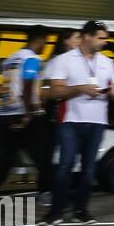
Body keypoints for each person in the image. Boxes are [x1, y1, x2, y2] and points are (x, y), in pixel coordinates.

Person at [41, 20, 114, 226]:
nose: (104, 42)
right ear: (87, 36)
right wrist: (79, 89)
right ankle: (55, 212)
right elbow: (55, 91)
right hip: (71, 120)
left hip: (97, 122)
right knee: (65, 165)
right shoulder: (65, 60)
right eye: (100, 37)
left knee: (89, 169)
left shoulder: (107, 62)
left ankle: (81, 210)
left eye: (105, 38)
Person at [0, 25, 49, 202]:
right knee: (43, 156)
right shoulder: (32, 59)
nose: (45, 45)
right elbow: (26, 86)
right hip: (21, 113)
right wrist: (29, 114)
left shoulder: (10, 59)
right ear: (39, 40)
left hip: (2, 113)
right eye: (45, 42)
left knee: (3, 161)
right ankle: (47, 193)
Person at [35, 28, 79, 207]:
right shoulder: (56, 62)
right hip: (55, 115)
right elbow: (44, 92)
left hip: (71, 115)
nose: (80, 41)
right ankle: (47, 190)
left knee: (66, 156)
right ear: (66, 41)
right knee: (53, 155)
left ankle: (62, 190)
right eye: (77, 38)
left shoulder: (78, 62)